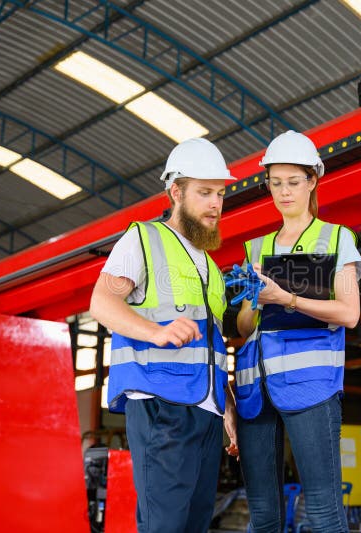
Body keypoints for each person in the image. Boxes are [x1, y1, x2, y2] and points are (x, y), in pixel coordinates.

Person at [89, 137, 239, 533]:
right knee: (166, 525)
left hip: (206, 412)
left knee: (193, 525)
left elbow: (212, 350)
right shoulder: (143, 240)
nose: (215, 204)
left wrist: (227, 411)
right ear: (176, 191)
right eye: (204, 193)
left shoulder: (210, 266)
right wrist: (155, 332)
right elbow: (102, 303)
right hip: (162, 407)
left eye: (220, 194)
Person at [233, 130, 361, 532]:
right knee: (263, 516)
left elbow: (349, 313)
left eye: (293, 182)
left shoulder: (336, 238)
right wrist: (256, 300)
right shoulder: (255, 248)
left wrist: (286, 298)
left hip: (311, 385)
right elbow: (242, 326)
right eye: (275, 183)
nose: (284, 192)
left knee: (324, 514)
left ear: (312, 181)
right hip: (256, 389)